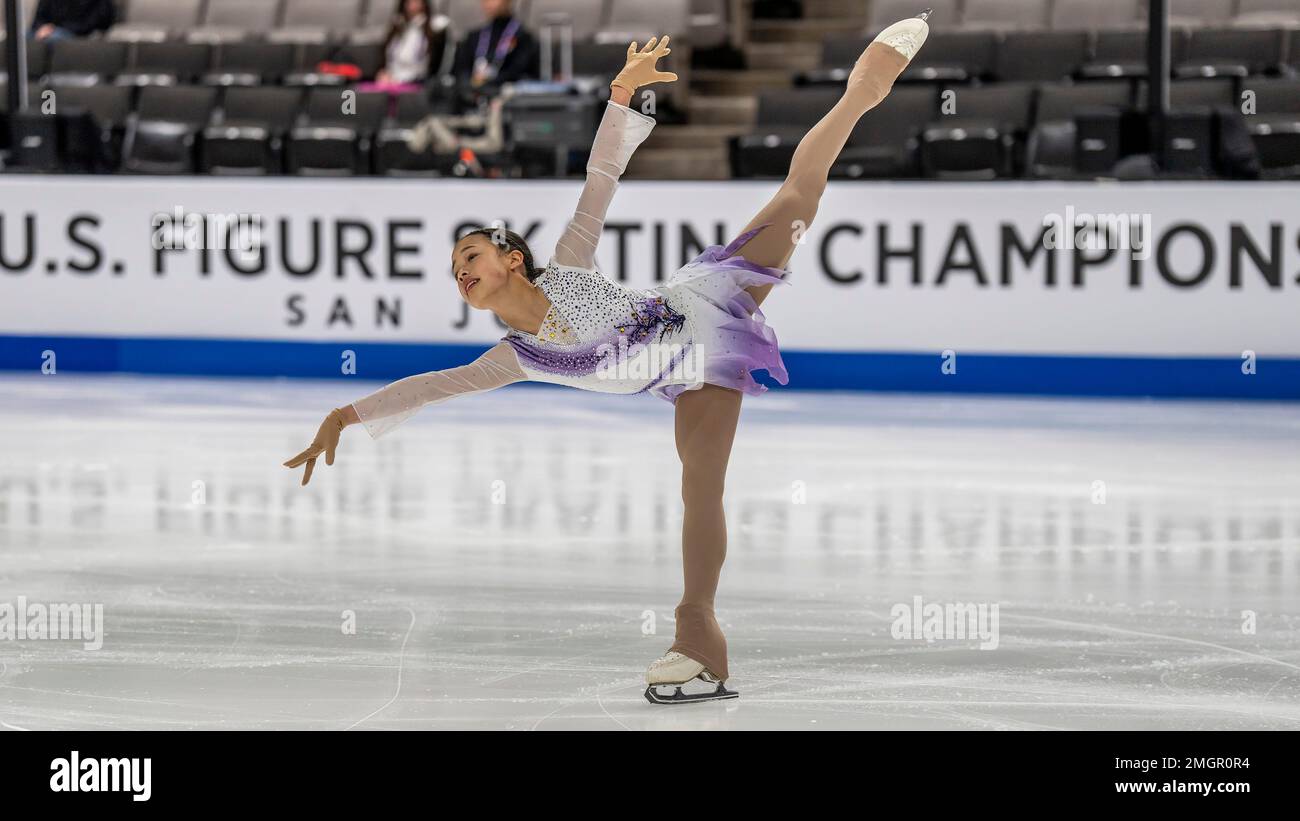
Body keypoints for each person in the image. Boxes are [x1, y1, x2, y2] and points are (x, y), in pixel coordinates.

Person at [285, 13, 933, 704]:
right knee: (700, 489)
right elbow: (434, 386)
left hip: (703, 306)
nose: (460, 271)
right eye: (452, 268)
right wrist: (344, 413)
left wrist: (621, 95)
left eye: (469, 256)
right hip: (689, 374)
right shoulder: (516, 356)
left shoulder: (567, 263)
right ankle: (701, 641)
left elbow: (602, 172)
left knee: (801, 190)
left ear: (511, 259)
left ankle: (863, 86)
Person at [449, 0, 539, 91]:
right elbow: (461, 71)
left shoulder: (523, 38)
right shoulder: (474, 37)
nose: (488, 3)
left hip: (506, 96)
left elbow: (518, 72)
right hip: (472, 95)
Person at [29, 0, 115, 41]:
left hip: (75, 32)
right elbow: (39, 16)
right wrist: (42, 27)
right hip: (44, 30)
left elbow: (89, 23)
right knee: (20, 39)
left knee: (52, 39)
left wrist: (53, 29)